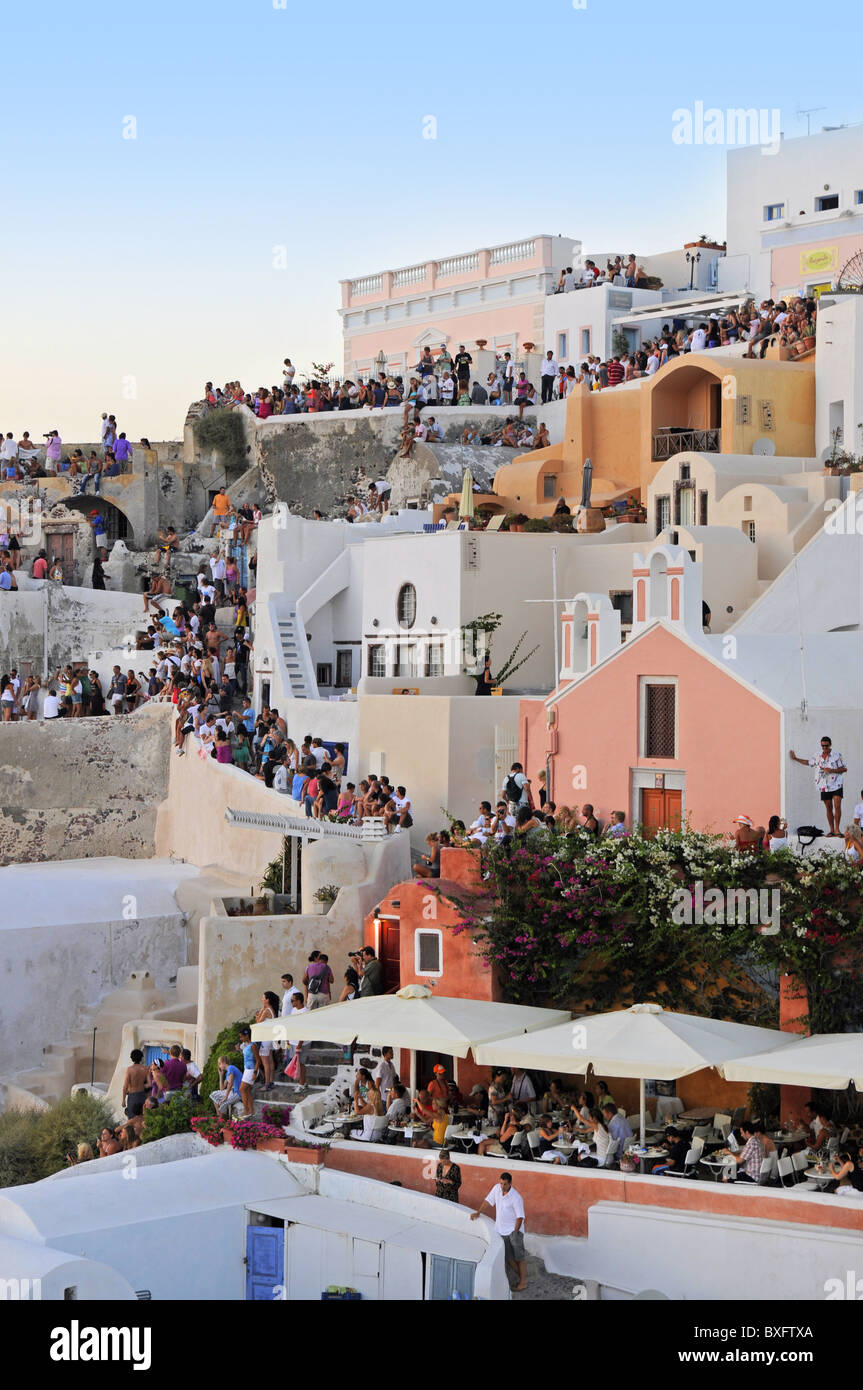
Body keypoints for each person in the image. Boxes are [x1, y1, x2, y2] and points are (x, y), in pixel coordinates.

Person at [470, 1173, 527, 1292]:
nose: (502, 1186)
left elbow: (520, 1217)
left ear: (510, 1183)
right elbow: (487, 1201)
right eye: (501, 1183)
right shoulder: (496, 1188)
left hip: (514, 1231)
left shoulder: (516, 1197)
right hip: (500, 1230)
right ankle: (521, 1277)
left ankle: (523, 1282)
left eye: (505, 1184)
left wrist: (515, 1233)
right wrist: (478, 1212)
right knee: (509, 1257)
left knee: (519, 1257)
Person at [790, 737, 847, 837]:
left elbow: (844, 769)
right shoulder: (817, 755)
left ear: (830, 745)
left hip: (836, 784)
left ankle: (837, 829)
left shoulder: (837, 755)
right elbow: (808, 763)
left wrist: (832, 770)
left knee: (837, 806)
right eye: (823, 746)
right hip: (823, 785)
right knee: (828, 808)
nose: (824, 747)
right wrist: (795, 758)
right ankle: (832, 830)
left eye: (826, 745)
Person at [236, 1026, 259, 1118]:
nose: (241, 1038)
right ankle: (251, 1110)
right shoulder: (246, 1045)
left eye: (242, 1036)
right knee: (247, 1090)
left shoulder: (253, 1045)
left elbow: (258, 1060)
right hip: (247, 1070)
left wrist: (255, 1072)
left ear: (247, 1035)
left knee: (242, 1089)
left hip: (252, 1070)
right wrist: (239, 1050)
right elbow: (247, 1056)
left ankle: (246, 1110)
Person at [122, 1048, 149, 1118]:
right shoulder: (145, 1069)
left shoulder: (129, 1070)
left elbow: (125, 1086)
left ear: (132, 1058)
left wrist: (123, 1100)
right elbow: (150, 1084)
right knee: (142, 1117)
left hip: (132, 1096)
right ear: (141, 1058)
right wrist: (141, 1085)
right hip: (142, 1095)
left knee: (131, 1117)